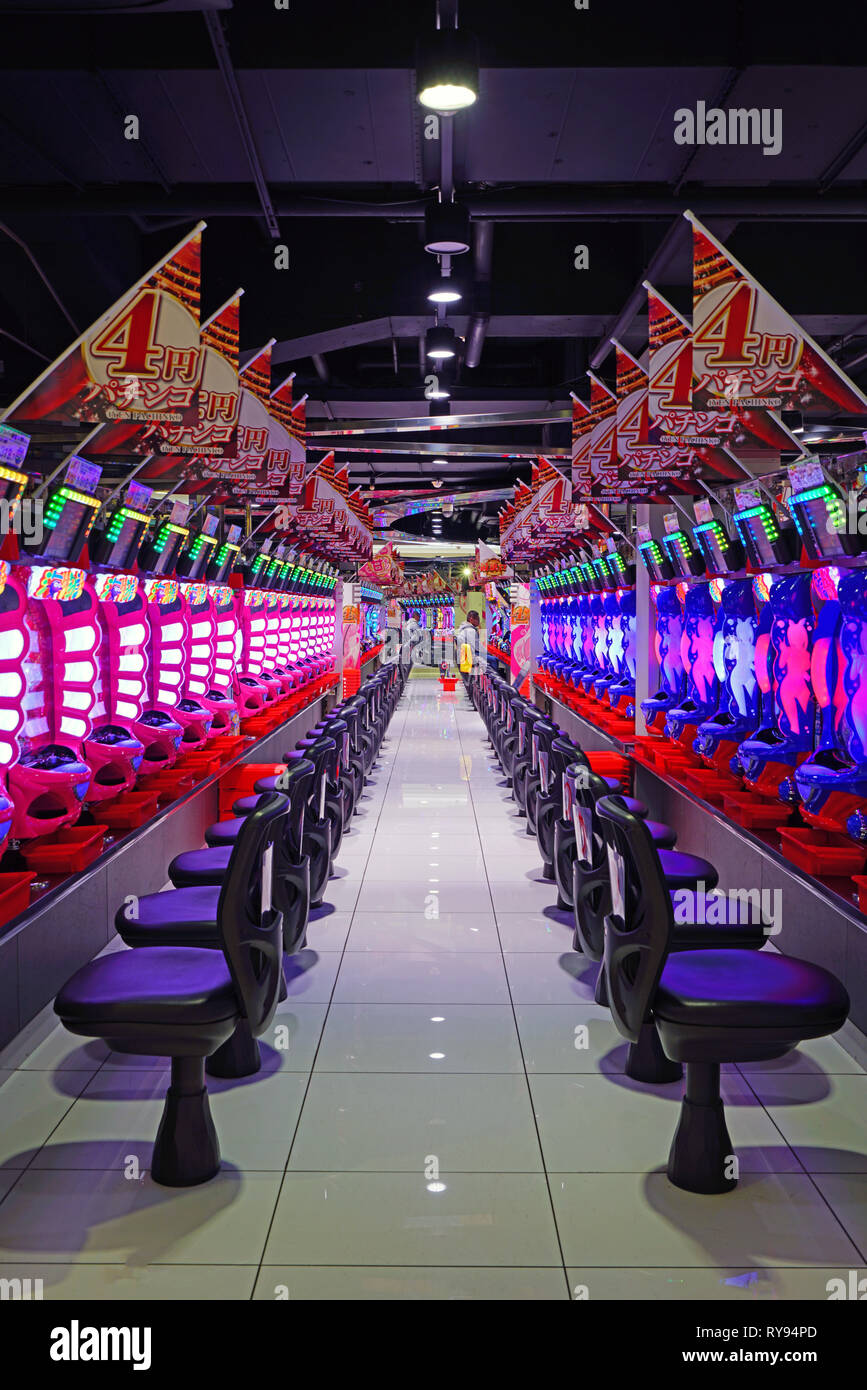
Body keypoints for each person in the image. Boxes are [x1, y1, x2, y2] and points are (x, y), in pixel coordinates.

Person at [455, 609, 481, 704]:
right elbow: (473, 648)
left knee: (469, 681)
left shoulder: (464, 628)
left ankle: (474, 699)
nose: (479, 621)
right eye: (477, 619)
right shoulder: (470, 631)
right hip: (467, 659)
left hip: (462, 658)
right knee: (493, 661)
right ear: (471, 619)